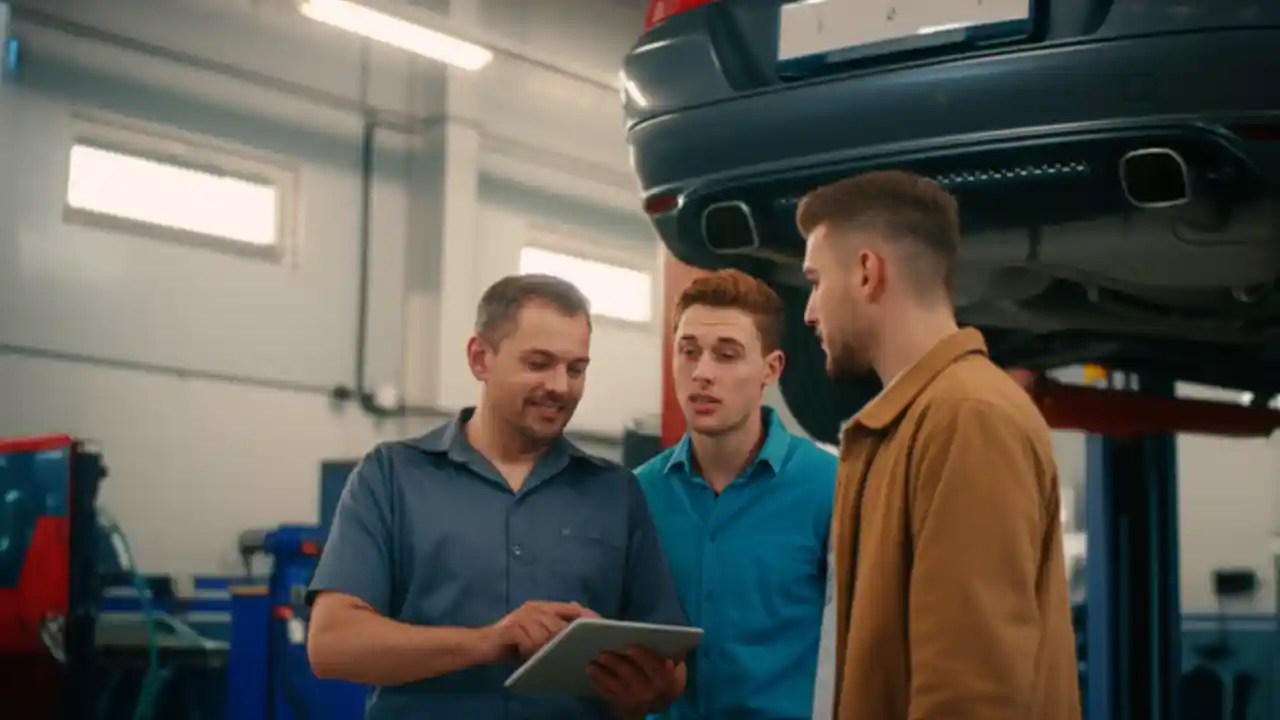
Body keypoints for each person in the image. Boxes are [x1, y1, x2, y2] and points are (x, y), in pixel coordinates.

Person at [306, 274, 689, 720]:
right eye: (538, 363)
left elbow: (670, 670)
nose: (560, 386)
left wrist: (645, 687)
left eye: (576, 369)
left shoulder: (615, 493)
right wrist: (490, 641)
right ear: (479, 358)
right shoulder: (391, 477)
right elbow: (332, 644)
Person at [797, 170, 1082, 719]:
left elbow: (971, 694)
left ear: (866, 273)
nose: (809, 311)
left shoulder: (967, 419)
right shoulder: (906, 425)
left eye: (815, 281)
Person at [633, 270, 837, 719]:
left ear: (771, 369)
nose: (702, 374)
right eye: (688, 352)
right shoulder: (638, 494)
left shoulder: (831, 488)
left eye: (726, 355)